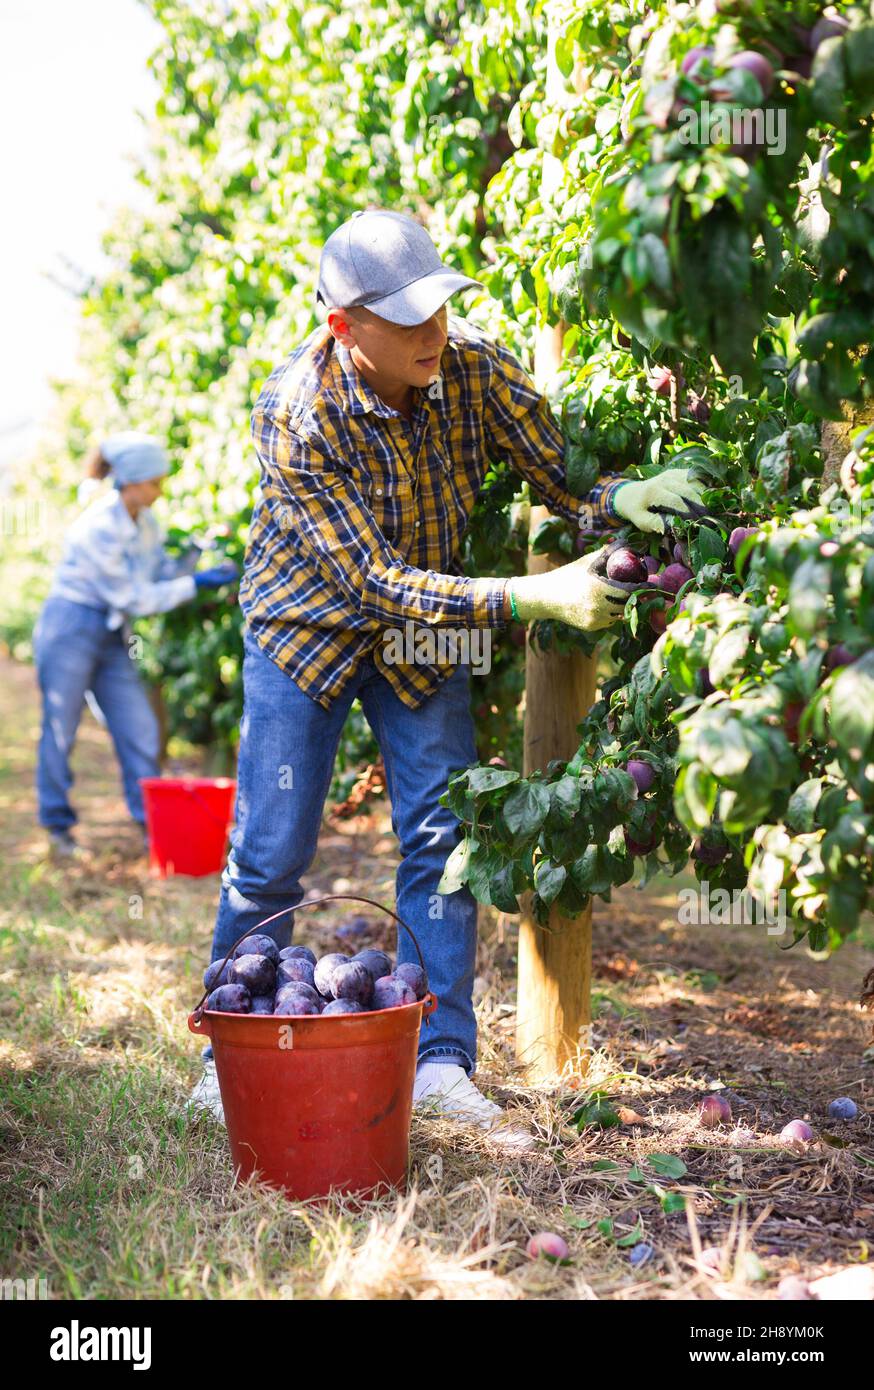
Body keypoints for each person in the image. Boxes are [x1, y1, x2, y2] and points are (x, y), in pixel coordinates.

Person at [189, 209, 702, 1142]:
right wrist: (534, 598)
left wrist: (616, 499)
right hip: (307, 627)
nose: (435, 333)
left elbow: (558, 474)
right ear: (345, 326)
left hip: (427, 632)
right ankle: (229, 1045)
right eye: (410, 318)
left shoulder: (471, 366)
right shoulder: (295, 413)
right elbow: (375, 583)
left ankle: (439, 1062)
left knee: (442, 838)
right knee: (270, 853)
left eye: (441, 310)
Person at [34, 432, 238, 857]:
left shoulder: (146, 523)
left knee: (140, 728)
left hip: (112, 634)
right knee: (60, 728)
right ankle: (58, 828)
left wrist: (193, 554)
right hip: (70, 625)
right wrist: (195, 583)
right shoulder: (96, 527)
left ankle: (154, 825)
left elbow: (158, 574)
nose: (161, 491)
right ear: (131, 480)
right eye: (155, 482)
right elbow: (133, 596)